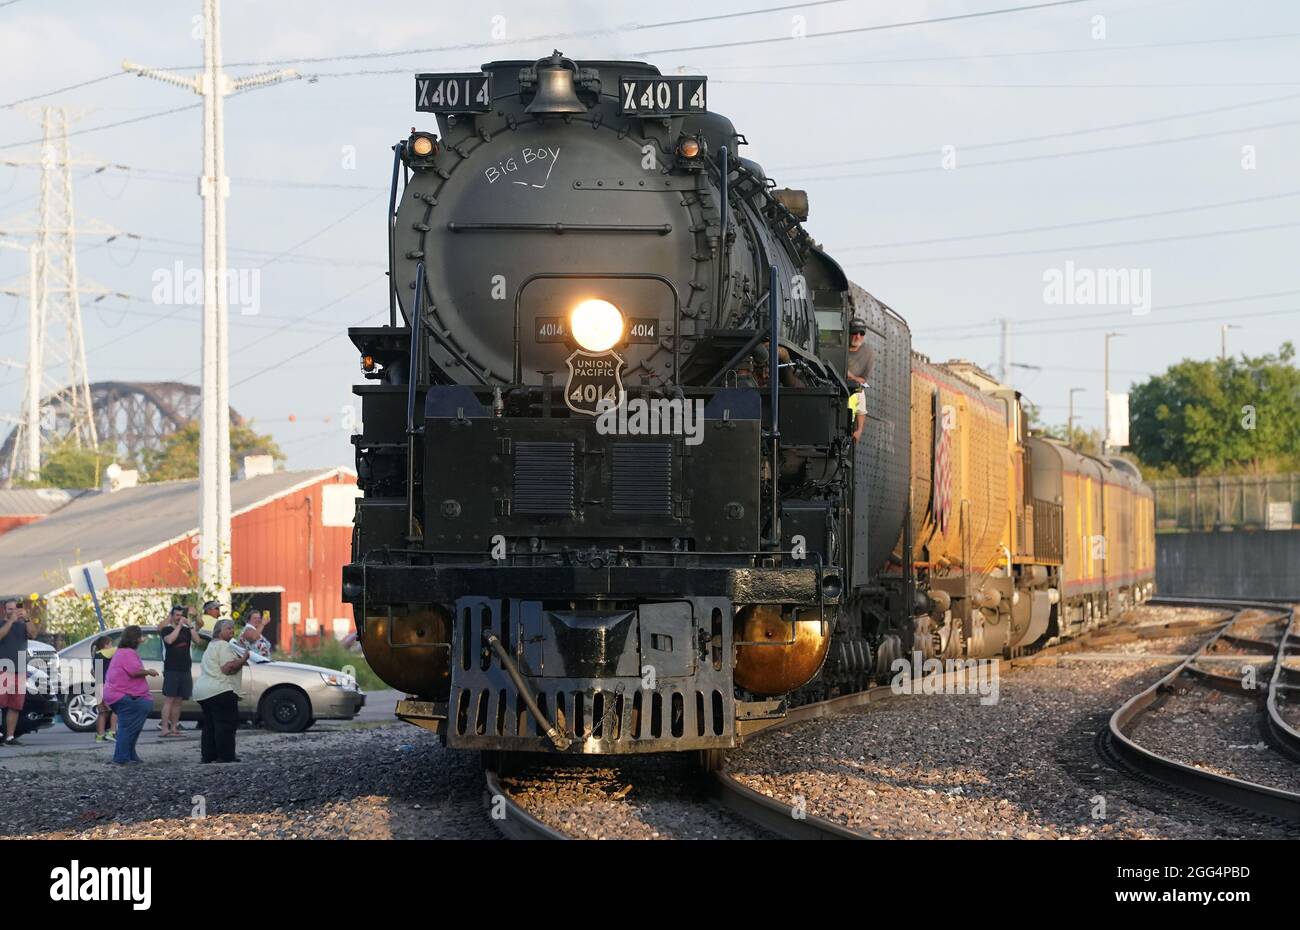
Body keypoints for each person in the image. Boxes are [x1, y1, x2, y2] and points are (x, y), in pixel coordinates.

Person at [194, 618, 250, 764]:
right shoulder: (224, 646)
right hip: (220, 689)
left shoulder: (211, 646)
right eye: (228, 629)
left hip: (203, 690)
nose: (232, 631)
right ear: (219, 632)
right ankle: (226, 756)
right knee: (226, 724)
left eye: (232, 628)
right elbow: (227, 668)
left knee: (210, 725)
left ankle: (208, 756)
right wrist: (243, 659)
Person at [102, 625, 158, 765]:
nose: (142, 639)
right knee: (128, 727)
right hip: (123, 695)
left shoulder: (121, 652)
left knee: (132, 726)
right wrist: (149, 671)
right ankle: (121, 758)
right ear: (136, 639)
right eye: (140, 637)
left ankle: (130, 755)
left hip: (117, 695)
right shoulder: (128, 653)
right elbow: (134, 671)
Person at [0, 599, 37, 747]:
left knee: (15, 705)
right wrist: (10, 621)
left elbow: (33, 634)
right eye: (10, 609)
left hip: (20, 670)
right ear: (4, 610)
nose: (13, 612)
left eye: (15, 609)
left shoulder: (23, 625)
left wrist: (26, 618)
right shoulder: (2, 624)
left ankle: (9, 737)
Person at [158, 605, 198, 736]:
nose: (179, 618)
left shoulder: (187, 630)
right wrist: (179, 626)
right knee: (169, 699)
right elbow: (169, 641)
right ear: (172, 616)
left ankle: (174, 727)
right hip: (172, 669)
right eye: (177, 615)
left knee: (179, 700)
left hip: (185, 668)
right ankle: (164, 728)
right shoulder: (166, 630)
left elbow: (197, 640)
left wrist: (190, 626)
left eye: (181, 615)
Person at [846, 318, 872, 442]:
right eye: (855, 332)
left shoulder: (868, 353)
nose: (858, 336)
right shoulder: (840, 347)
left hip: (848, 420)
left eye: (861, 334)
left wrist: (859, 429)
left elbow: (862, 381)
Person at [91, 636, 117, 743]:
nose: (111, 646)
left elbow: (92, 672)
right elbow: (121, 649)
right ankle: (112, 732)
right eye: (110, 644)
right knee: (116, 709)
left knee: (102, 712)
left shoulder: (96, 655)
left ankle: (100, 735)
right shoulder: (107, 652)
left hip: (98, 686)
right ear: (106, 645)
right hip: (106, 686)